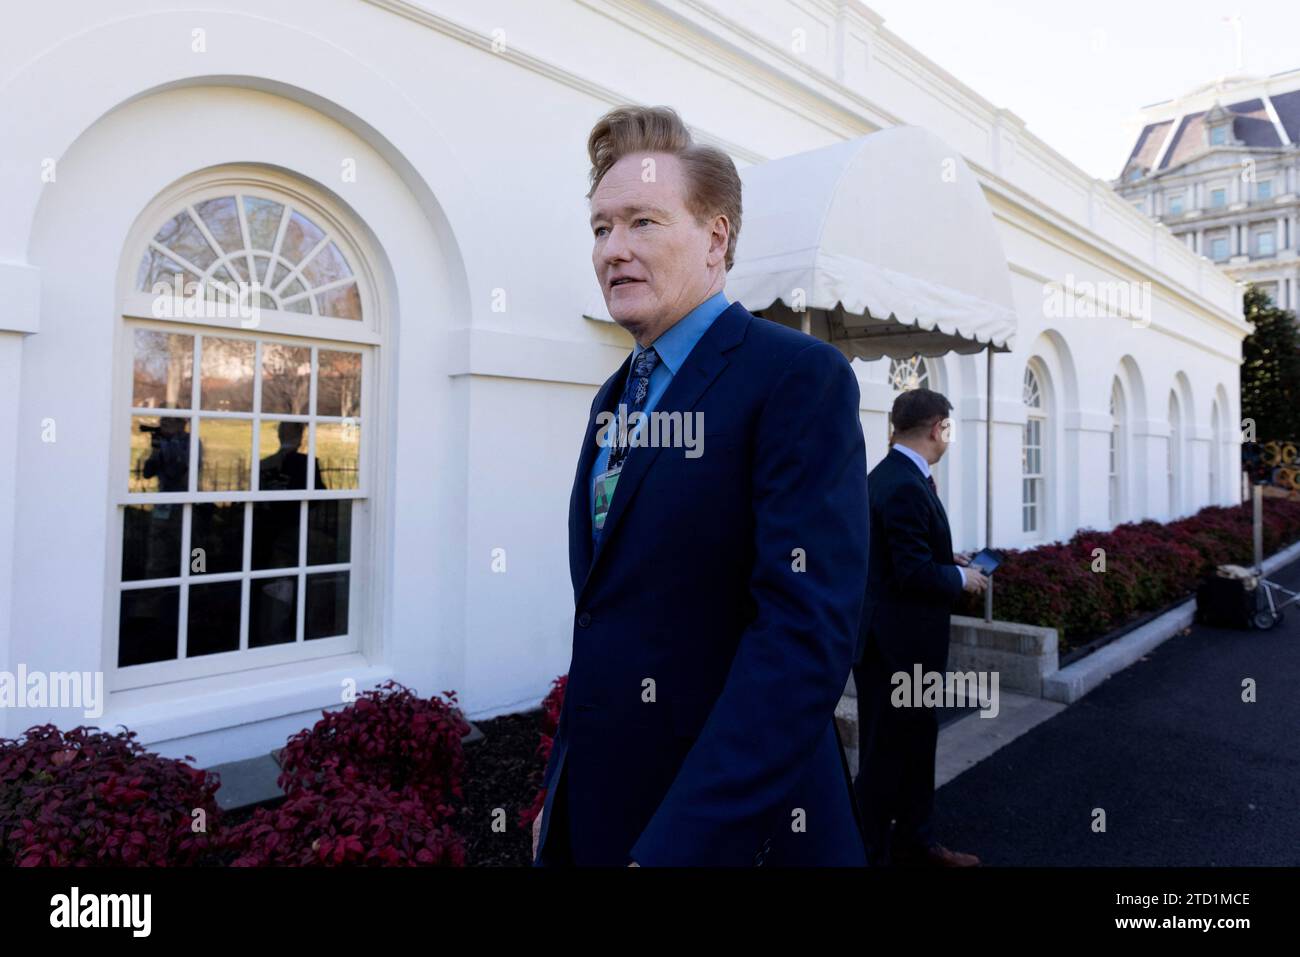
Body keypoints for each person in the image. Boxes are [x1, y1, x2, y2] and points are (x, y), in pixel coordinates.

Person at [532, 104, 870, 867]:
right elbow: (608, 621)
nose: (613, 249)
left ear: (716, 238)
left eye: (642, 222)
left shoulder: (797, 378)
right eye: (599, 227)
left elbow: (803, 639)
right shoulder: (615, 396)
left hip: (736, 835)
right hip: (603, 816)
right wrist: (564, 794)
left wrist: (677, 846)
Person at [852, 387, 985, 867]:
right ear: (937, 428)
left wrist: (944, 557)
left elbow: (893, 556)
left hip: (885, 643)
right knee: (892, 753)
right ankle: (880, 850)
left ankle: (912, 841)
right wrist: (959, 578)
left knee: (897, 747)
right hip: (900, 649)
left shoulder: (887, 475)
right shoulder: (907, 484)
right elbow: (911, 575)